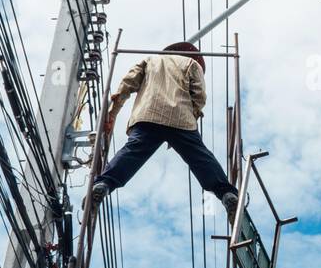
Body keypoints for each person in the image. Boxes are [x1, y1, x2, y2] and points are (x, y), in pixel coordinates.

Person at [89, 42, 239, 218]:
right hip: (182, 119)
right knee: (200, 157)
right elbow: (199, 96)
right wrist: (193, 114)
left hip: (148, 115)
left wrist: (111, 115)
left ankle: (104, 184)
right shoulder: (192, 64)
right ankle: (226, 193)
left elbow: (125, 86)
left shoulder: (150, 60)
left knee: (133, 151)